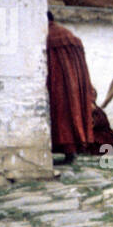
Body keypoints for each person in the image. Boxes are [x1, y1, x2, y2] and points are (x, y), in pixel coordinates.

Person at [45, 13, 94, 163]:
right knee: (72, 113)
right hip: (76, 84)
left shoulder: (48, 35)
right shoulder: (69, 35)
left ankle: (67, 151)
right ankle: (71, 152)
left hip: (59, 83)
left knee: (61, 114)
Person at [82, 86, 113, 157]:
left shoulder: (97, 108)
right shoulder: (88, 108)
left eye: (94, 92)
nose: (93, 94)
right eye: (90, 92)